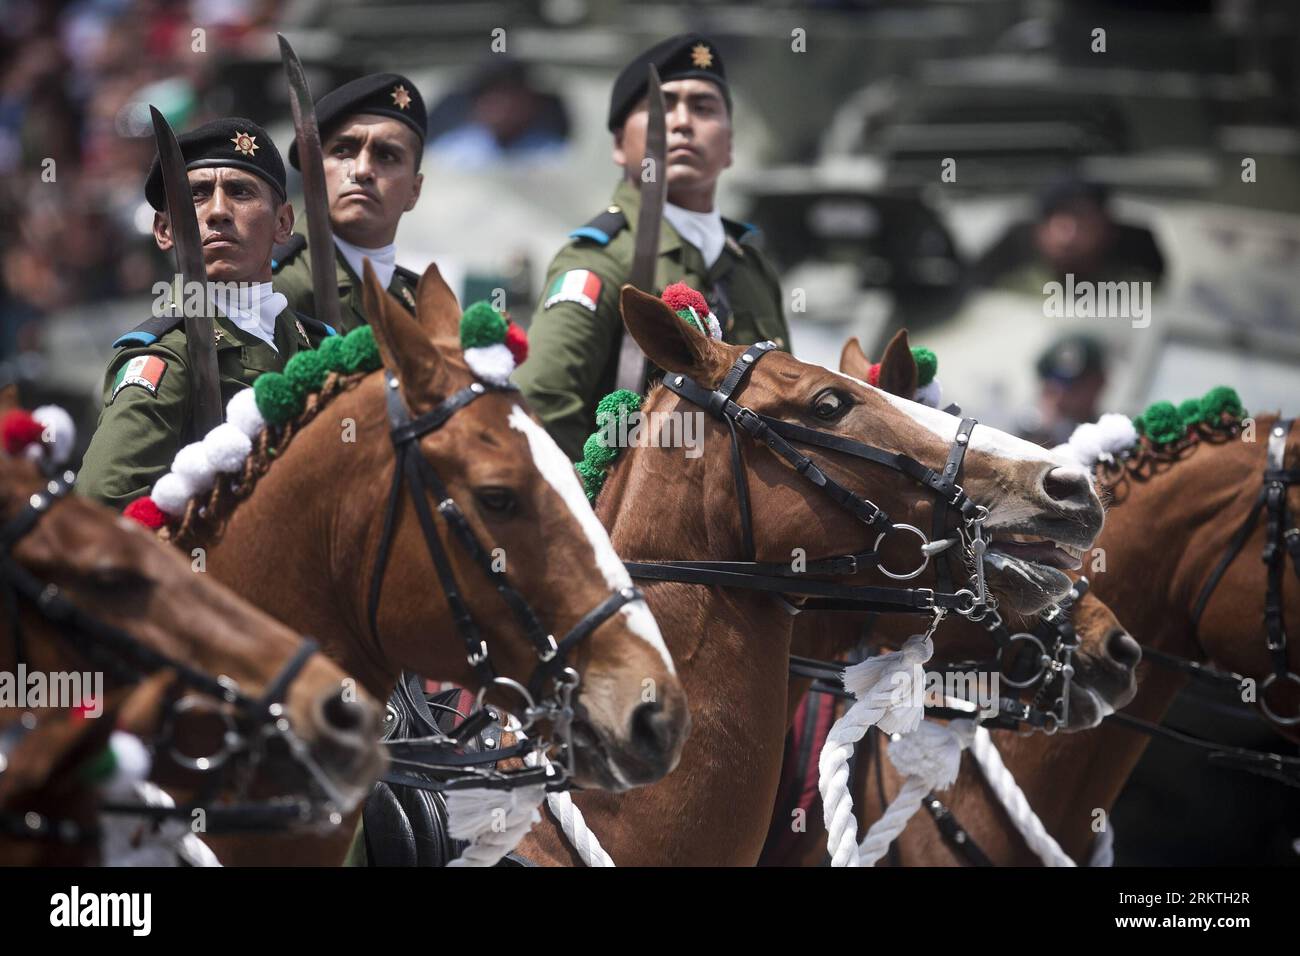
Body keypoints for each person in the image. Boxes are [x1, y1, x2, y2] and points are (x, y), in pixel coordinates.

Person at [513, 33, 790, 460]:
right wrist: (595, 505)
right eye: (662, 106)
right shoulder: (600, 258)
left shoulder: (751, 266)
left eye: (703, 107)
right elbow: (542, 404)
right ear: (620, 146)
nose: (681, 122)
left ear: (731, 146)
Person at [78, 118, 333, 508]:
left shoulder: (318, 345)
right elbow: (103, 502)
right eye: (197, 195)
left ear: (283, 222)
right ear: (163, 231)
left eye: (240, 191)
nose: (218, 211)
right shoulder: (168, 356)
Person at [272, 73, 427, 330]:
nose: (362, 170)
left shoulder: (424, 303)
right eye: (343, 151)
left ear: (414, 190)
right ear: (312, 173)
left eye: (387, 156)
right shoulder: (270, 289)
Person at [1017, 333, 1108, 448]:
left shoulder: (1108, 443)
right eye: (1051, 389)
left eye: (1072, 388)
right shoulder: (1028, 430)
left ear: (1098, 383)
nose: (1059, 398)